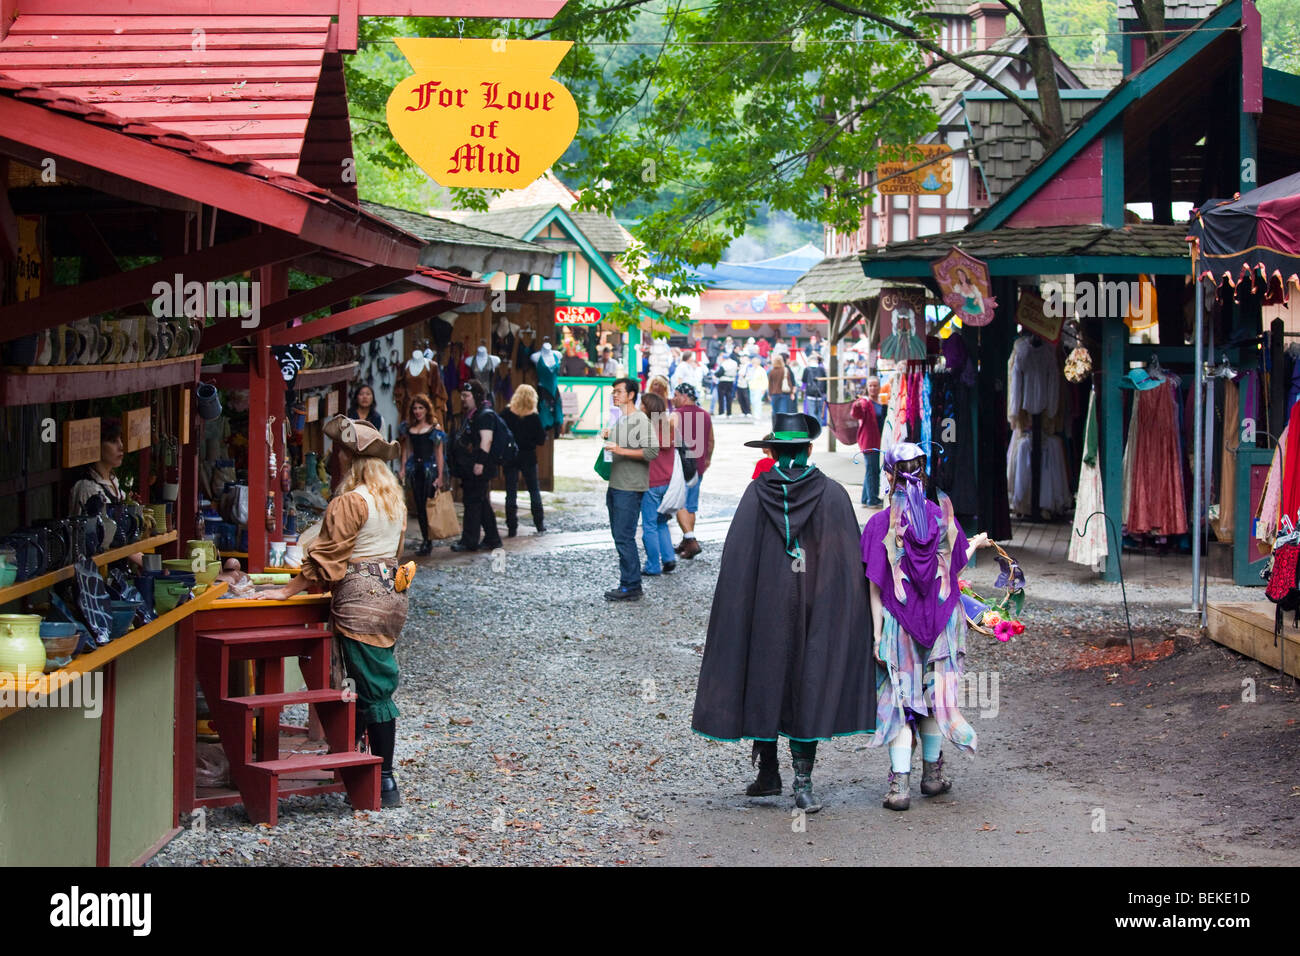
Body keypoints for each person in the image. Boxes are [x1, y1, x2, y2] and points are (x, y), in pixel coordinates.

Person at [692, 412, 875, 812]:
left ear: (772, 450)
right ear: (810, 449)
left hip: (767, 607)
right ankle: (802, 784)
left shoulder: (756, 494)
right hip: (817, 607)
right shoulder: (833, 495)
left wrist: (741, 610)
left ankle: (768, 773)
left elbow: (738, 563)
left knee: (765, 677)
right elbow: (847, 564)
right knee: (807, 681)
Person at [256, 415, 409, 808]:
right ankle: (357, 768)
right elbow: (391, 553)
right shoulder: (393, 501)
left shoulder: (350, 502)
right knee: (362, 678)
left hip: (359, 601)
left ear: (349, 460)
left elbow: (328, 558)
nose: (332, 459)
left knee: (371, 686)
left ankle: (383, 780)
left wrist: (286, 592)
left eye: (338, 452)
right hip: (390, 598)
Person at [862, 442, 990, 811]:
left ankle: (899, 786)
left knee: (900, 701)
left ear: (889, 476)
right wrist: (975, 544)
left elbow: (876, 585)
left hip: (898, 624)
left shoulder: (877, 525)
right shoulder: (943, 518)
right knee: (935, 697)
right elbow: (955, 567)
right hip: (943, 624)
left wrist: (875, 635)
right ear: (923, 473)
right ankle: (932, 775)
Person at [602, 377, 658, 601]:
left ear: (631, 395)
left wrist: (620, 450)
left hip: (629, 487)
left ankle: (631, 585)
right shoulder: (621, 419)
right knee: (620, 536)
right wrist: (609, 437)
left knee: (624, 537)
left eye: (619, 391)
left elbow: (652, 451)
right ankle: (629, 582)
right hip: (616, 484)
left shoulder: (639, 420)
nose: (615, 395)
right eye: (613, 392)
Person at [68, 418, 145, 568]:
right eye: (113, 441)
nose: (121, 447)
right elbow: (88, 540)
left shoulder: (113, 482)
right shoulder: (87, 488)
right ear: (97, 447)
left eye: (120, 440)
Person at [450, 380, 503, 553]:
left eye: (466, 395)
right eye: (463, 395)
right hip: (473, 466)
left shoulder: (484, 414)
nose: (463, 399)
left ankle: (470, 540)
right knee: (480, 502)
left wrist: (480, 462)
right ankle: (492, 538)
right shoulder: (475, 413)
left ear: (476, 396)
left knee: (472, 502)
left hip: (479, 466)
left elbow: (486, 440)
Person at [398, 393, 446, 556]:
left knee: (428, 505)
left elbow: (439, 453)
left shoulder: (434, 428)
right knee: (418, 505)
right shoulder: (408, 428)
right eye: (415, 408)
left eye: (421, 408)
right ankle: (426, 539)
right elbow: (406, 449)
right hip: (415, 469)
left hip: (429, 471)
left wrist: (440, 476)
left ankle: (429, 539)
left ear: (427, 409)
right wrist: (403, 468)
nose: (418, 411)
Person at [671, 383, 713, 561]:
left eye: (676, 395)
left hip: (681, 467)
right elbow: (710, 440)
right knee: (691, 505)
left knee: (679, 504)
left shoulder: (675, 416)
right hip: (699, 464)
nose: (673, 398)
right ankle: (686, 541)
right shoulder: (705, 414)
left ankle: (691, 540)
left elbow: (667, 440)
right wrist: (707, 459)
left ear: (684, 397)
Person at [639, 392, 677, 576]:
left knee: (649, 525)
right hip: (668, 482)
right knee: (661, 522)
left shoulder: (645, 428)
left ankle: (653, 565)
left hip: (651, 481)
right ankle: (669, 557)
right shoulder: (669, 427)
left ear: (648, 408)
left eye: (642, 405)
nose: (640, 407)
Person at [501, 384, 547, 537]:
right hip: (528, 456)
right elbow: (541, 440)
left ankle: (511, 526)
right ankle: (539, 523)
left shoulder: (506, 414)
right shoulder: (534, 417)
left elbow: (499, 433)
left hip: (510, 455)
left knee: (510, 492)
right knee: (534, 490)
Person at [853, 376, 888, 506]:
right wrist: (856, 405)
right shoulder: (864, 402)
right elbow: (856, 414)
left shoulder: (882, 401)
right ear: (867, 388)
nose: (873, 388)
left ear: (879, 387)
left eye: (875, 385)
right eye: (870, 386)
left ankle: (865, 498)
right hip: (869, 441)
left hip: (879, 440)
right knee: (872, 470)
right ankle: (872, 499)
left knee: (871, 470)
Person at [801, 351, 827, 425]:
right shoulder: (822, 369)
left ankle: (814, 428)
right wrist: (825, 393)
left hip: (810, 394)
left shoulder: (807, 369)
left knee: (812, 412)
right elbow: (825, 382)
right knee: (819, 412)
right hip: (820, 394)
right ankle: (819, 428)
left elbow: (804, 381)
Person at [767, 354, 794, 424]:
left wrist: (769, 394)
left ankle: (775, 427)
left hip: (774, 394)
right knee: (783, 412)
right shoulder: (785, 370)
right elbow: (789, 382)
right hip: (784, 393)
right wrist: (791, 392)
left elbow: (770, 384)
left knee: (775, 411)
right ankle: (782, 427)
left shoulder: (771, 371)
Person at [715, 350, 738, 418]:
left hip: (723, 380)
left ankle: (721, 413)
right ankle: (729, 413)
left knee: (721, 398)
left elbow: (719, 373)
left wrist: (715, 374)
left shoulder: (724, 363)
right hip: (731, 381)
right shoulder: (734, 363)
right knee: (729, 397)